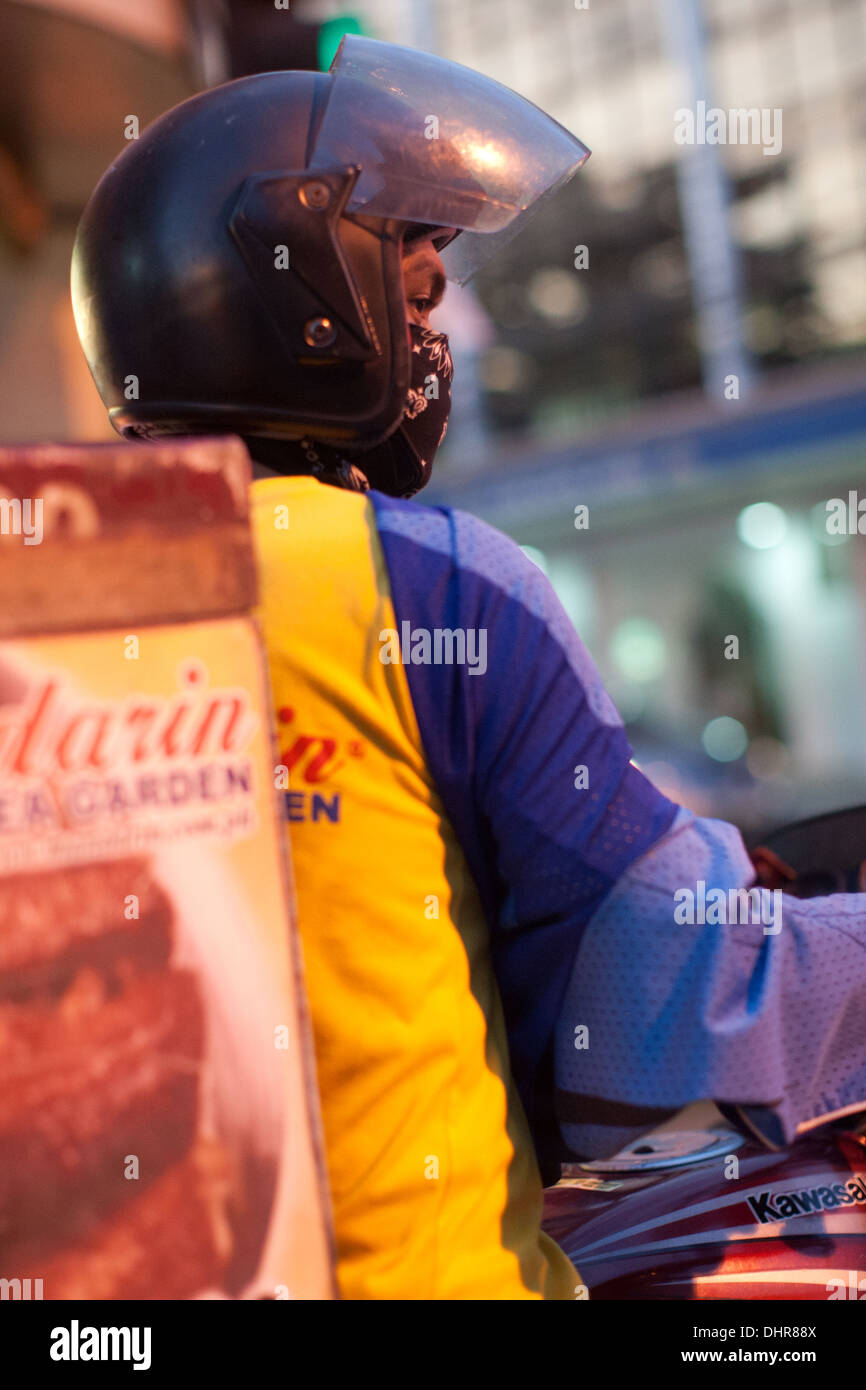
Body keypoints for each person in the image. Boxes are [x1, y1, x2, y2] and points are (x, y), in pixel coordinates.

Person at [72, 35, 866, 1300]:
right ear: (299, 303)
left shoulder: (46, 589)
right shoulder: (433, 581)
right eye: (421, 299)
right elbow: (667, 1017)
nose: (440, 347)